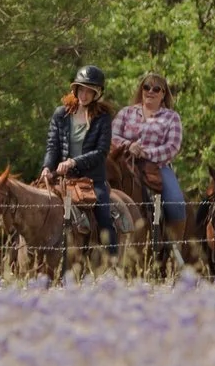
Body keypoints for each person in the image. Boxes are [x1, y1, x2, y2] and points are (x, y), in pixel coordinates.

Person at [42, 66, 121, 256]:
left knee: (103, 215)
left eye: (89, 91)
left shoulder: (103, 118)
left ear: (97, 94)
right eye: (81, 89)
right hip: (62, 178)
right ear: (75, 90)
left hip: (92, 180)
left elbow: (101, 152)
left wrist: (74, 162)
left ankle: (112, 262)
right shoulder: (61, 114)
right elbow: (53, 145)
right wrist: (47, 167)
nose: (84, 95)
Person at [114, 72, 188, 227]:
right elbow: (112, 136)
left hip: (157, 167)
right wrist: (128, 145)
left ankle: (174, 246)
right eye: (146, 87)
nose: (150, 91)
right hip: (124, 163)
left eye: (156, 89)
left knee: (176, 203)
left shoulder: (171, 117)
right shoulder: (126, 112)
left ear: (163, 94)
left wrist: (145, 153)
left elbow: (172, 146)